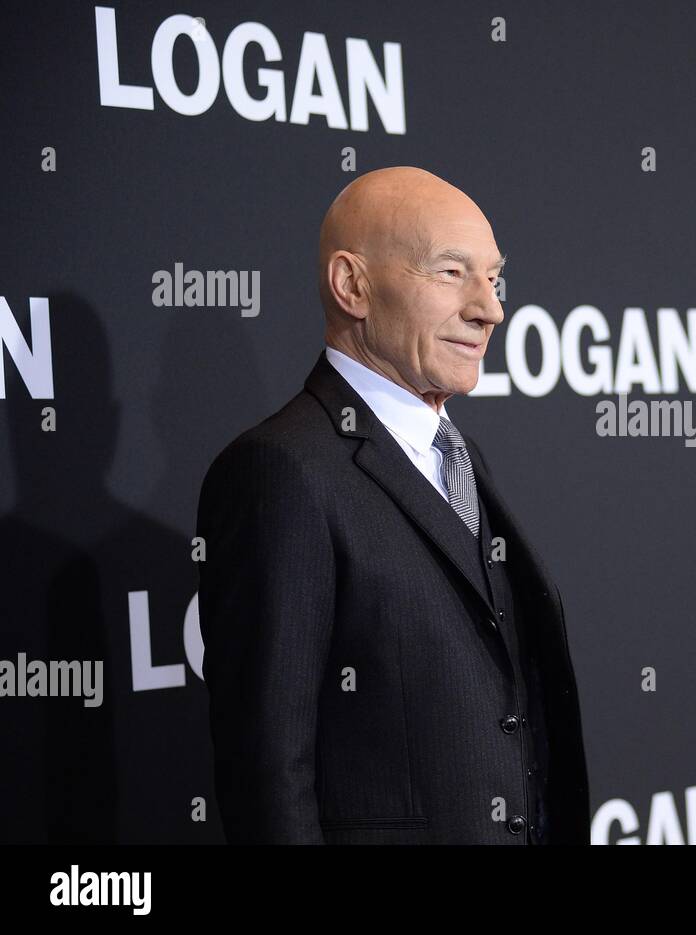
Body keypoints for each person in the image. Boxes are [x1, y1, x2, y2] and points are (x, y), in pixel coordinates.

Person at [196, 166, 588, 844]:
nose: (490, 308)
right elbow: (268, 776)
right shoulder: (281, 471)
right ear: (353, 285)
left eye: (493, 278)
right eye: (451, 273)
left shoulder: (462, 457)